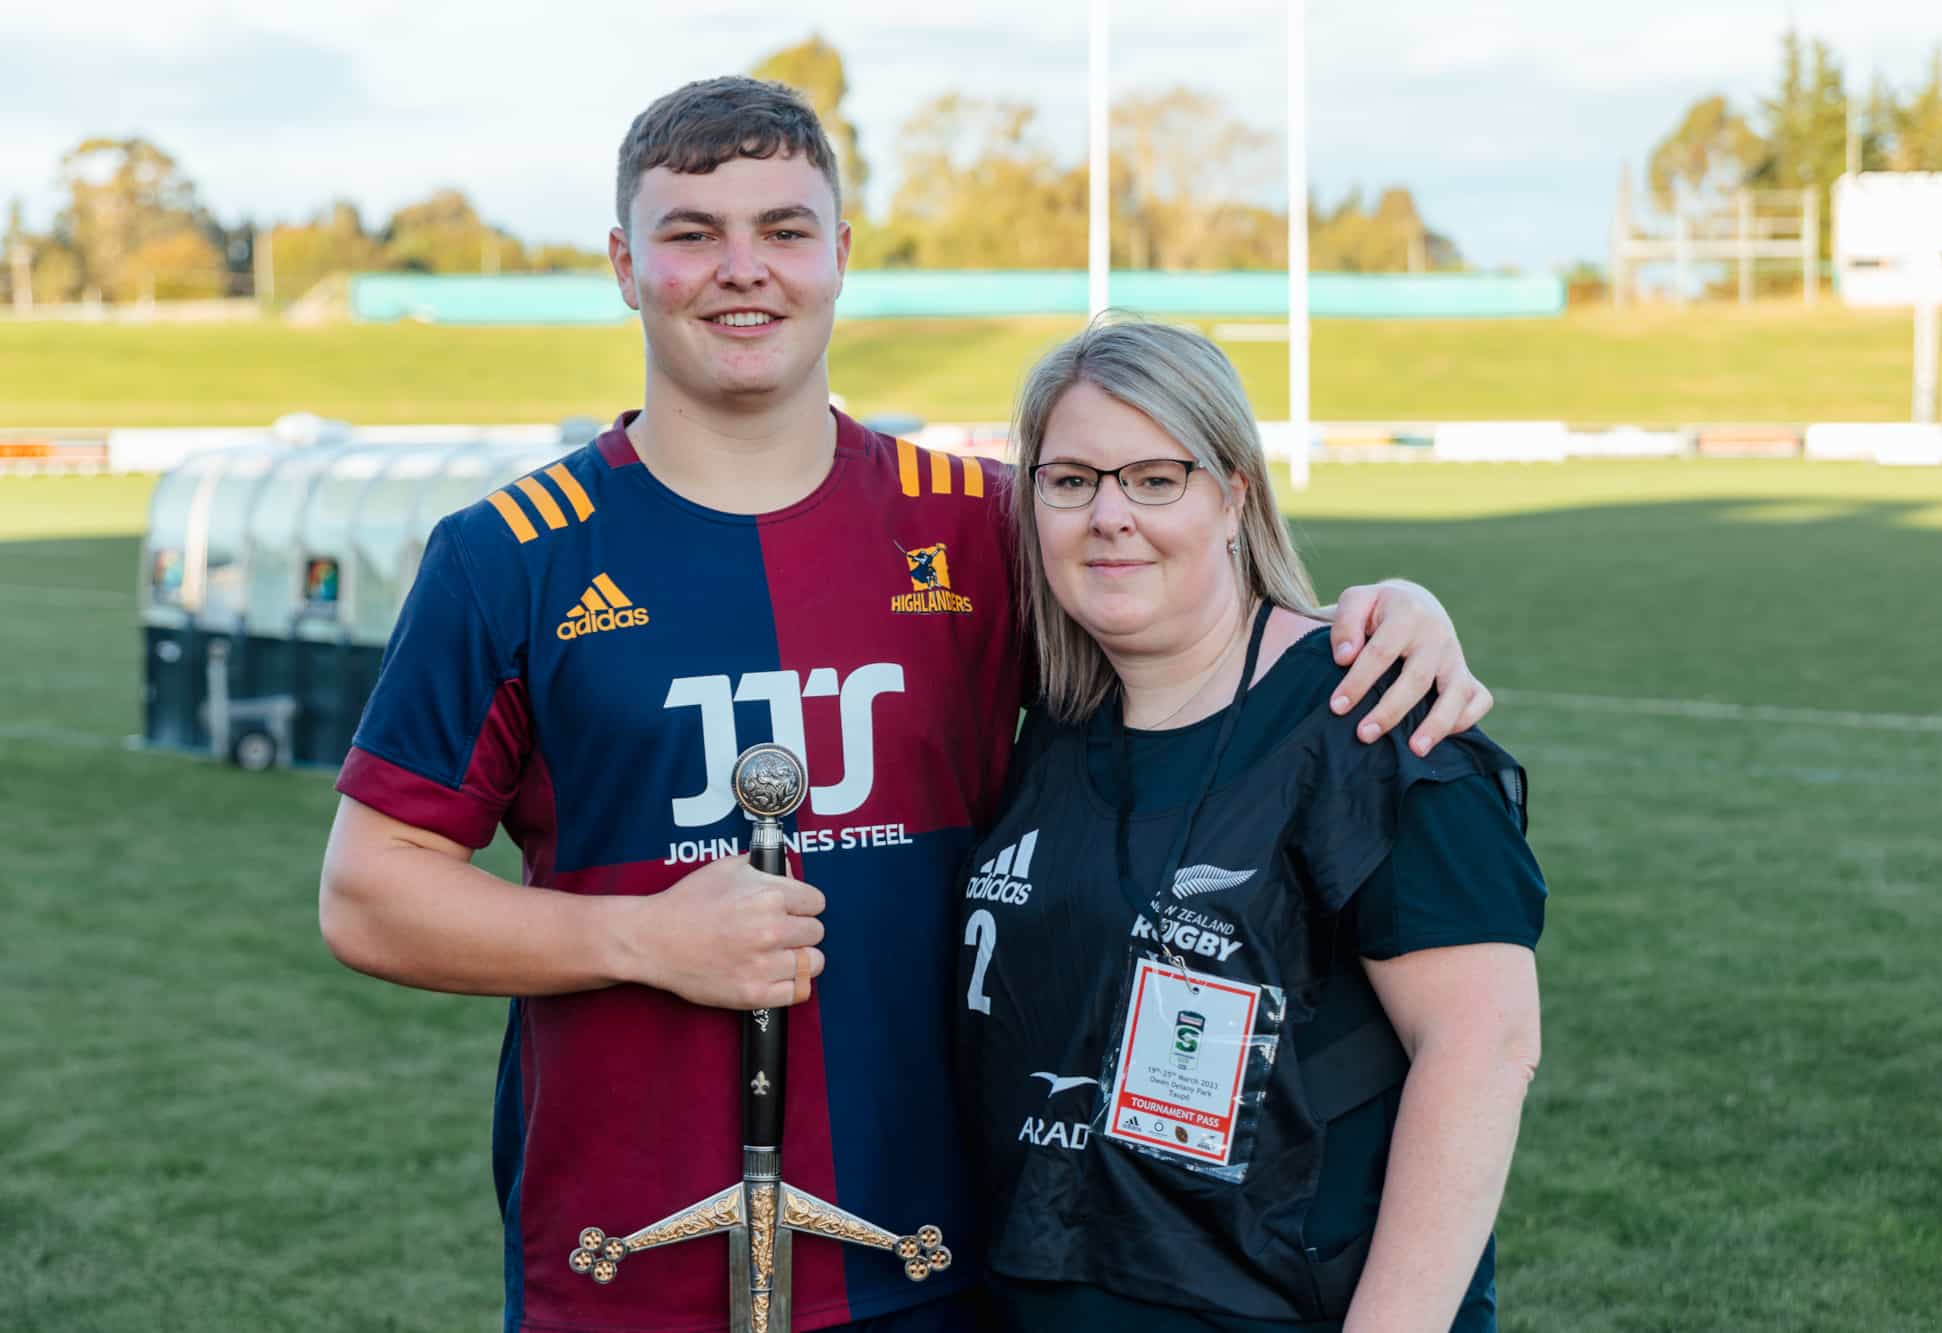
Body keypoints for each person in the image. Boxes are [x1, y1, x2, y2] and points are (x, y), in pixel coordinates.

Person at [318, 78, 1494, 1333]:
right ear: (622, 264)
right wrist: (641, 939)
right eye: (691, 233)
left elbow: (1191, 625)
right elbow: (369, 892)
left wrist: (1381, 611)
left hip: (951, 1257)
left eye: (782, 230)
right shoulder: (509, 554)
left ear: (839, 254)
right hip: (625, 1265)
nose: (741, 269)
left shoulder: (979, 525)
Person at [955, 319, 1545, 1332]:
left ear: (1233, 494)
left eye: (1155, 479)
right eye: (1071, 481)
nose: (1108, 516)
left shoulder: (1370, 717)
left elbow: (1483, 1045)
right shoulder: (1047, 722)